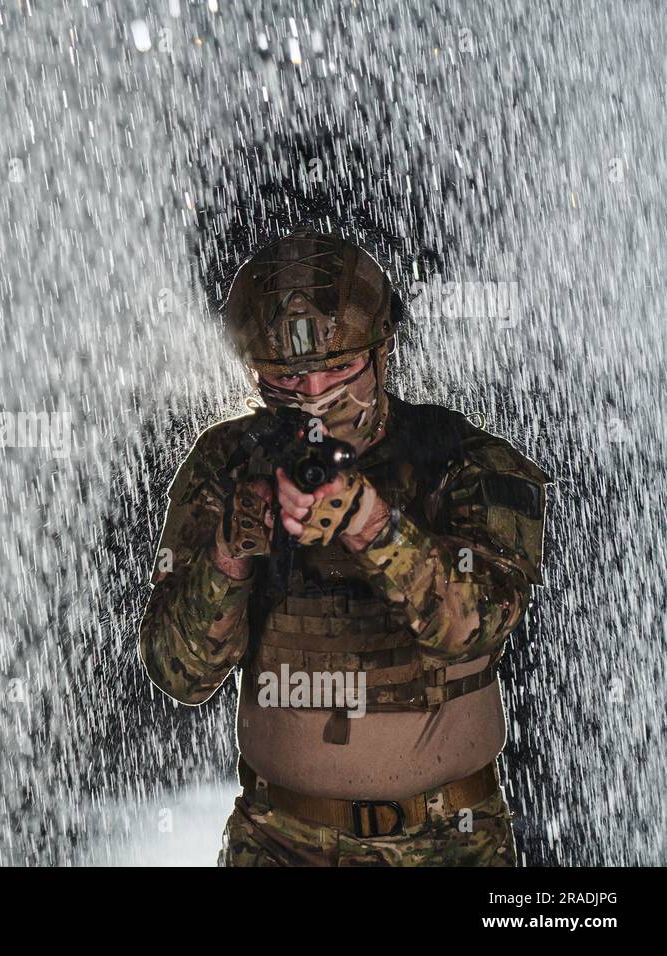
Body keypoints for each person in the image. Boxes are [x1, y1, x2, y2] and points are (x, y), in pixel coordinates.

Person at [138, 231, 549, 866]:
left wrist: (373, 526)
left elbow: (474, 625)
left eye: (338, 367)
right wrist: (231, 553)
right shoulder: (227, 464)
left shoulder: (465, 463)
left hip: (445, 844)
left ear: (383, 352)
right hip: (279, 839)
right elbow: (178, 674)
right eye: (287, 375)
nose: (314, 394)